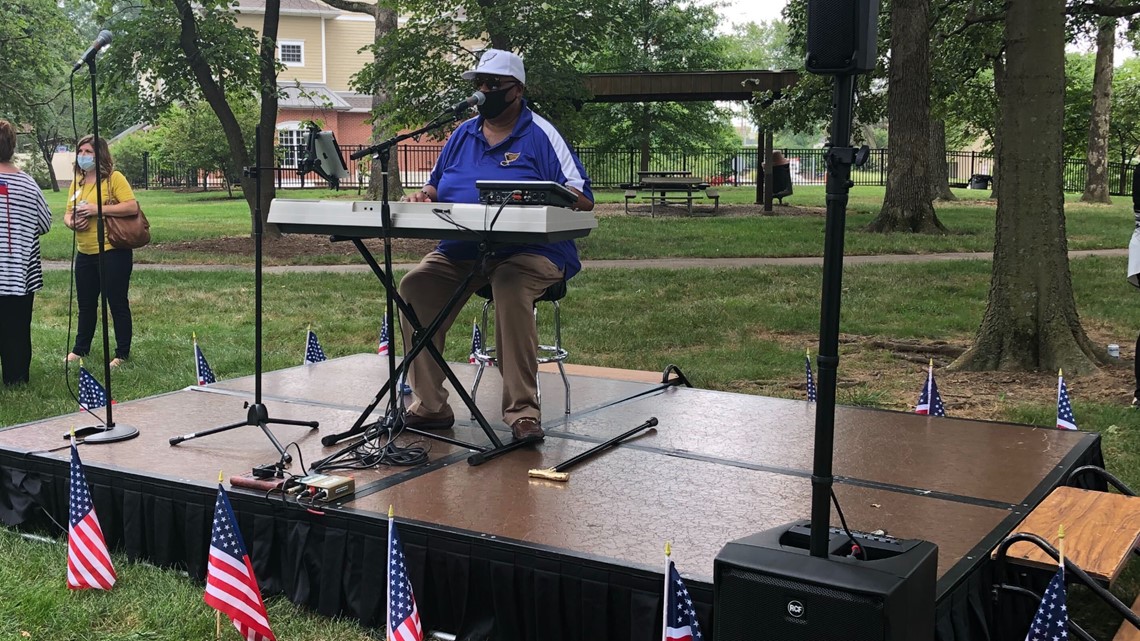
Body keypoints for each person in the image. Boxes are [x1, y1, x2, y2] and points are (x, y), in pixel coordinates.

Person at [400, 48, 594, 442]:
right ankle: (431, 406)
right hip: (461, 250)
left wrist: (537, 197)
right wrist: (423, 195)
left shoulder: (541, 134)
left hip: (530, 253)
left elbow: (583, 197)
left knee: (508, 282)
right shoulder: (461, 134)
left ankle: (523, 413)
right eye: (479, 83)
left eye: (493, 84)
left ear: (516, 90)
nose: (484, 91)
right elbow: (435, 185)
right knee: (414, 286)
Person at [64, 134, 138, 367]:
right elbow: (67, 213)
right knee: (86, 304)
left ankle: (122, 353)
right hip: (84, 251)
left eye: (88, 152)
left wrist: (98, 210)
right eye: (80, 151)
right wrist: (72, 223)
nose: (83, 156)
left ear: (100, 154)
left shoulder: (114, 178)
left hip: (112, 251)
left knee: (116, 302)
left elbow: (131, 206)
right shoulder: (78, 181)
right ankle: (80, 349)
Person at [0, 120, 53, 387]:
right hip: (19, 274)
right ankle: (16, 378)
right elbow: (44, 223)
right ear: (12, 146)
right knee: (17, 330)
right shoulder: (29, 184)